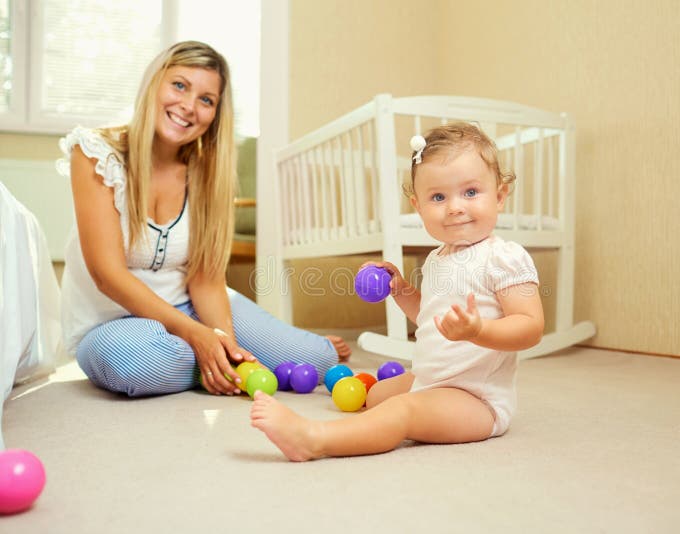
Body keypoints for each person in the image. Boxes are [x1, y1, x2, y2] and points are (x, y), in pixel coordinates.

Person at [56, 41, 349, 398]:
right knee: (141, 364)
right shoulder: (94, 152)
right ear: (155, 83)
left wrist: (223, 339)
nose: (188, 106)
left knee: (315, 360)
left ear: (215, 114)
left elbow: (207, 279)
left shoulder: (208, 172)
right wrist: (200, 338)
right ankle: (210, 363)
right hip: (113, 322)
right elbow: (107, 275)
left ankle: (217, 361)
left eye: (206, 100)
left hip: (189, 307)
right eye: (179, 85)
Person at [250, 122, 545, 461]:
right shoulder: (437, 259)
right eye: (438, 197)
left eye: (470, 192)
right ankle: (378, 421)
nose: (455, 207)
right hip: (432, 379)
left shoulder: (503, 257)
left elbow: (530, 326)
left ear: (500, 195)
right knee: (376, 397)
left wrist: (479, 330)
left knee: (402, 411)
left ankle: (314, 438)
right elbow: (430, 318)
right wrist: (401, 290)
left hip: (476, 398)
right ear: (418, 207)